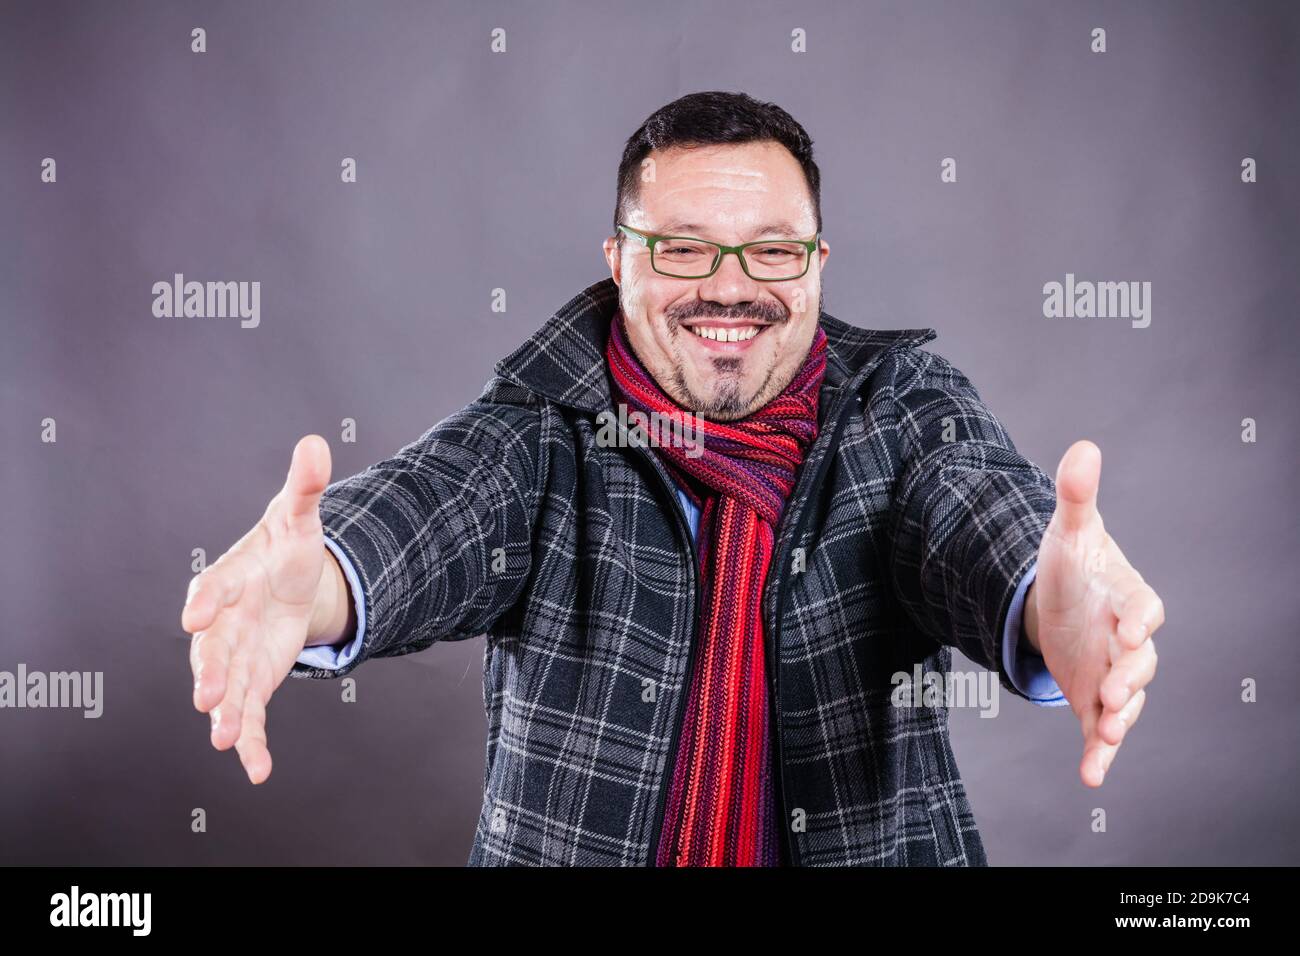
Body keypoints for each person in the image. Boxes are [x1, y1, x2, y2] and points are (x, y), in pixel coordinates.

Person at [181, 91, 1165, 866]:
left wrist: (1044, 604)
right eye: (683, 248)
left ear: (817, 263)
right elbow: (436, 508)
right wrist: (320, 585)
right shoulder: (544, 427)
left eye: (771, 249)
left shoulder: (901, 406)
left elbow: (971, 506)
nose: (729, 284)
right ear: (620, 261)